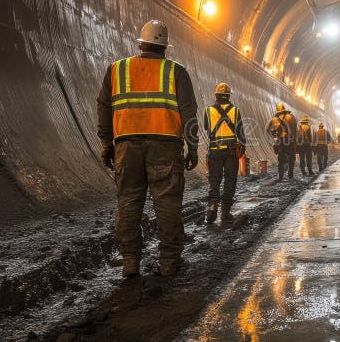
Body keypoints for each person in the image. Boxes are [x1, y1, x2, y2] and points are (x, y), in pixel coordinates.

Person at [97, 20, 198, 278]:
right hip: (165, 145)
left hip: (127, 146)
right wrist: (193, 146)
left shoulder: (116, 70)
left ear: (140, 44)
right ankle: (169, 262)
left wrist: (107, 143)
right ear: (165, 48)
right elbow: (188, 112)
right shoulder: (176, 72)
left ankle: (130, 262)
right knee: (167, 205)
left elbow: (104, 107)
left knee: (129, 202)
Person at [203, 83, 246, 224]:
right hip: (231, 151)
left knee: (214, 179)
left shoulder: (208, 111)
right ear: (228, 96)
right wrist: (243, 147)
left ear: (216, 95)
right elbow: (240, 132)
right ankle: (225, 212)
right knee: (230, 180)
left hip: (214, 151)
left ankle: (213, 206)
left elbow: (206, 127)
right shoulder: (235, 110)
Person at [266, 104, 297, 180]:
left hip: (280, 142)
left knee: (281, 159)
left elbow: (267, 129)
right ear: (284, 109)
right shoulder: (291, 117)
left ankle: (280, 176)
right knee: (292, 158)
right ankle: (290, 175)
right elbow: (295, 130)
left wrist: (274, 136)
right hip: (289, 141)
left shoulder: (274, 119)